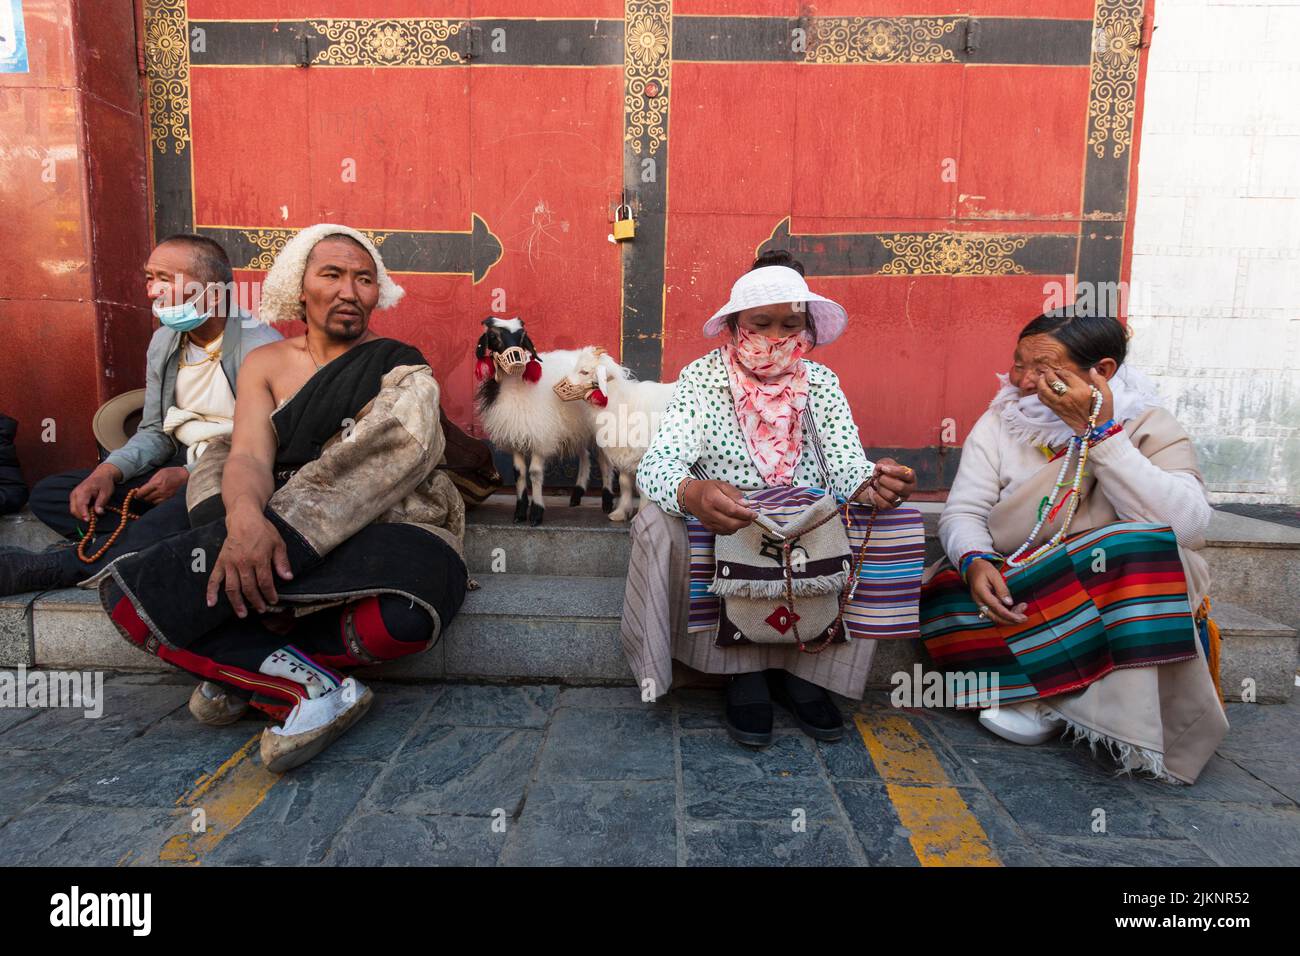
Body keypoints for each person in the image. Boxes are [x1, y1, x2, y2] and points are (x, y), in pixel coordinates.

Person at [97, 224, 468, 772]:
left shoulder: (401, 365)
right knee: (130, 598)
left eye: (364, 279)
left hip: (372, 522)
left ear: (377, 294)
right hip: (269, 522)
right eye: (332, 274)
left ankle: (245, 668)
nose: (349, 290)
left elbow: (385, 461)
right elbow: (246, 456)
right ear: (299, 287)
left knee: (410, 613)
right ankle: (312, 690)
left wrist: (280, 540)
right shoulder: (265, 366)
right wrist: (246, 522)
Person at [920, 308, 1228, 784]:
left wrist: (1102, 436)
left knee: (1137, 549)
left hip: (1116, 587)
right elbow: (964, 512)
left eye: (1044, 369)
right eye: (1019, 364)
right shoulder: (1002, 421)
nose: (1024, 381)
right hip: (1024, 579)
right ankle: (1061, 694)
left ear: (1101, 372)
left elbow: (1186, 527)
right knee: (946, 590)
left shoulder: (1147, 424)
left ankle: (1050, 699)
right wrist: (975, 559)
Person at [625, 250, 917, 747]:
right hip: (731, 514)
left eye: (791, 323)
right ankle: (744, 674)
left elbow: (847, 467)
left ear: (806, 328)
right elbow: (658, 465)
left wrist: (876, 481)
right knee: (656, 521)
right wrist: (692, 492)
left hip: (806, 515)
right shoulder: (701, 378)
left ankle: (809, 671)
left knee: (898, 520)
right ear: (735, 324)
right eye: (762, 322)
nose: (777, 337)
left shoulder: (821, 383)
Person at [0, 235, 280, 595]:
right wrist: (108, 471)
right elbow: (154, 431)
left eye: (166, 279)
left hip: (228, 474)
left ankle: (66, 566)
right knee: (54, 495)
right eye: (150, 278)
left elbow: (266, 445)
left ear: (212, 293)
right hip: (174, 465)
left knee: (192, 508)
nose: (152, 291)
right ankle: (153, 541)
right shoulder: (164, 342)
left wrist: (187, 476)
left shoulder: (260, 348)